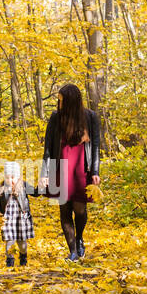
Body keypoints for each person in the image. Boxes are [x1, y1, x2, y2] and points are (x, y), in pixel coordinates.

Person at [39, 83, 101, 262]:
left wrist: (95, 170)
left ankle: (79, 237)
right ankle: (73, 250)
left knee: (80, 209)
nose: (59, 104)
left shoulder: (90, 117)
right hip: (60, 168)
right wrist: (44, 173)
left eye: (61, 101)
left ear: (72, 102)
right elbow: (48, 148)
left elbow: (95, 145)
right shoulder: (55, 117)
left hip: (82, 169)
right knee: (64, 209)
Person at [0, 161, 34, 267]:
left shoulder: (24, 185)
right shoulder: (2, 189)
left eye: (13, 177)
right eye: (8, 178)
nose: (10, 180)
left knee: (22, 243)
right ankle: (10, 262)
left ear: (18, 177)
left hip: (21, 219)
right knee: (9, 241)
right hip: (8, 219)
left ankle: (23, 259)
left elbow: (36, 193)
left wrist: (44, 187)